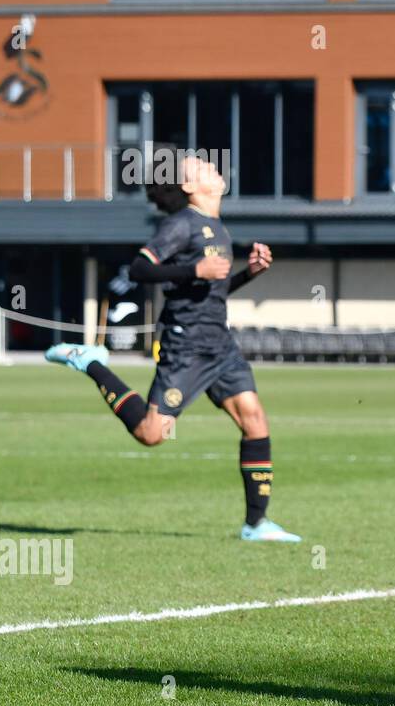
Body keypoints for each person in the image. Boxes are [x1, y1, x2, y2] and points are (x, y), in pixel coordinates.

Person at [44, 155, 298, 543]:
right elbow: (139, 269)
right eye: (204, 168)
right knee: (151, 434)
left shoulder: (219, 229)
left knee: (255, 420)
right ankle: (91, 362)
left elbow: (213, 291)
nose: (215, 169)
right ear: (191, 187)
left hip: (220, 343)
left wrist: (249, 273)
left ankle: (256, 524)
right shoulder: (181, 225)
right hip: (185, 344)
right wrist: (192, 271)